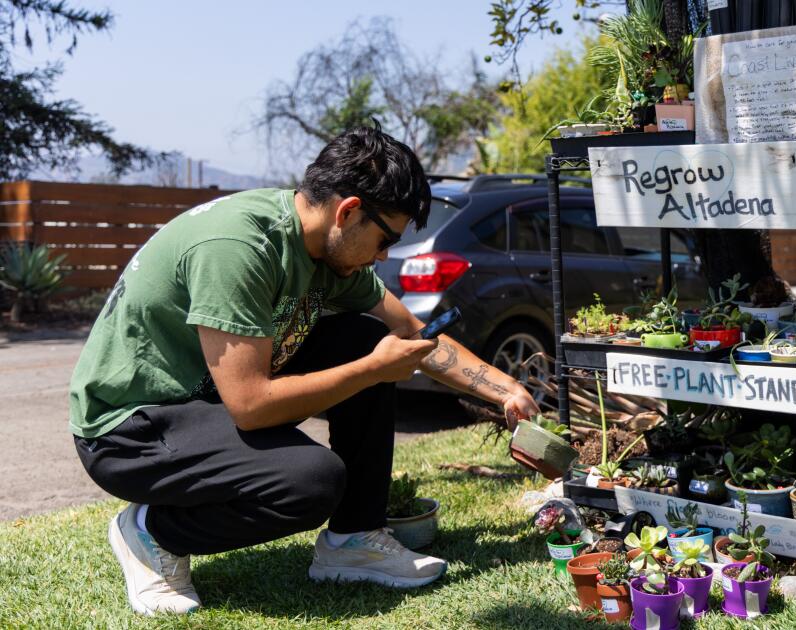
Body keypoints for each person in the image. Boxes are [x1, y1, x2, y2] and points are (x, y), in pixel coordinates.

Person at [68, 123, 539, 615]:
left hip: (204, 403)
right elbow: (251, 407)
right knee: (311, 481)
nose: (383, 257)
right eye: (384, 240)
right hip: (129, 430)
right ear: (348, 211)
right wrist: (371, 370)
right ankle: (151, 531)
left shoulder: (324, 251)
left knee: (365, 337)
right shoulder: (239, 248)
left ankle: (354, 540)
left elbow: (412, 333)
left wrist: (505, 389)